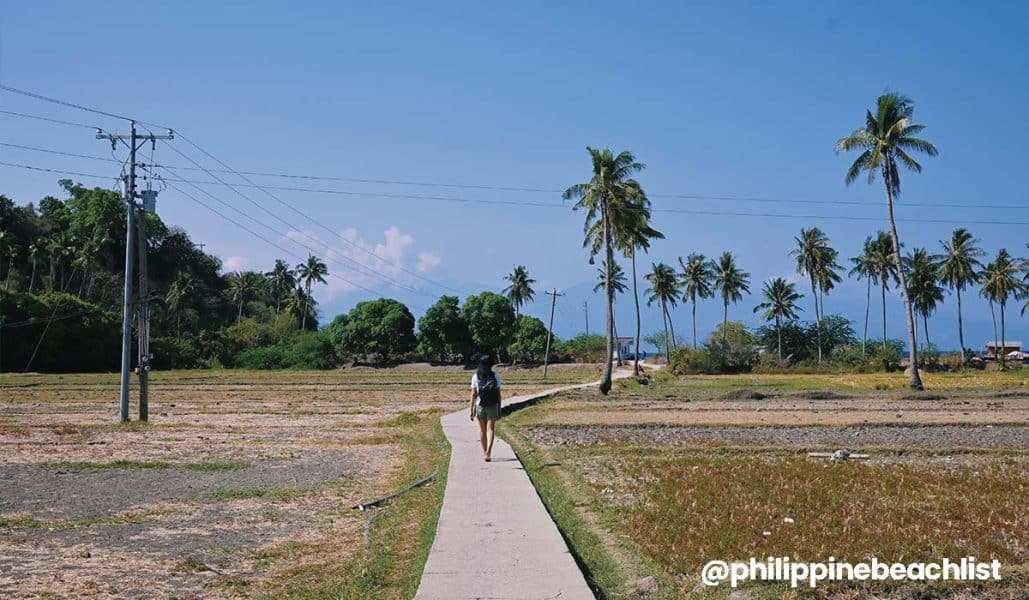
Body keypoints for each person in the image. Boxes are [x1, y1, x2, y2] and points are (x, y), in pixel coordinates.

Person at [469, 354, 502, 461]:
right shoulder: (495, 376)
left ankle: (485, 453)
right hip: (493, 405)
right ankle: (489, 452)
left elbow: (473, 394)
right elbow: (498, 394)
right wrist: (499, 406)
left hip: (480, 405)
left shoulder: (476, 376)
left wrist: (471, 410)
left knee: (482, 430)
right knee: (490, 429)